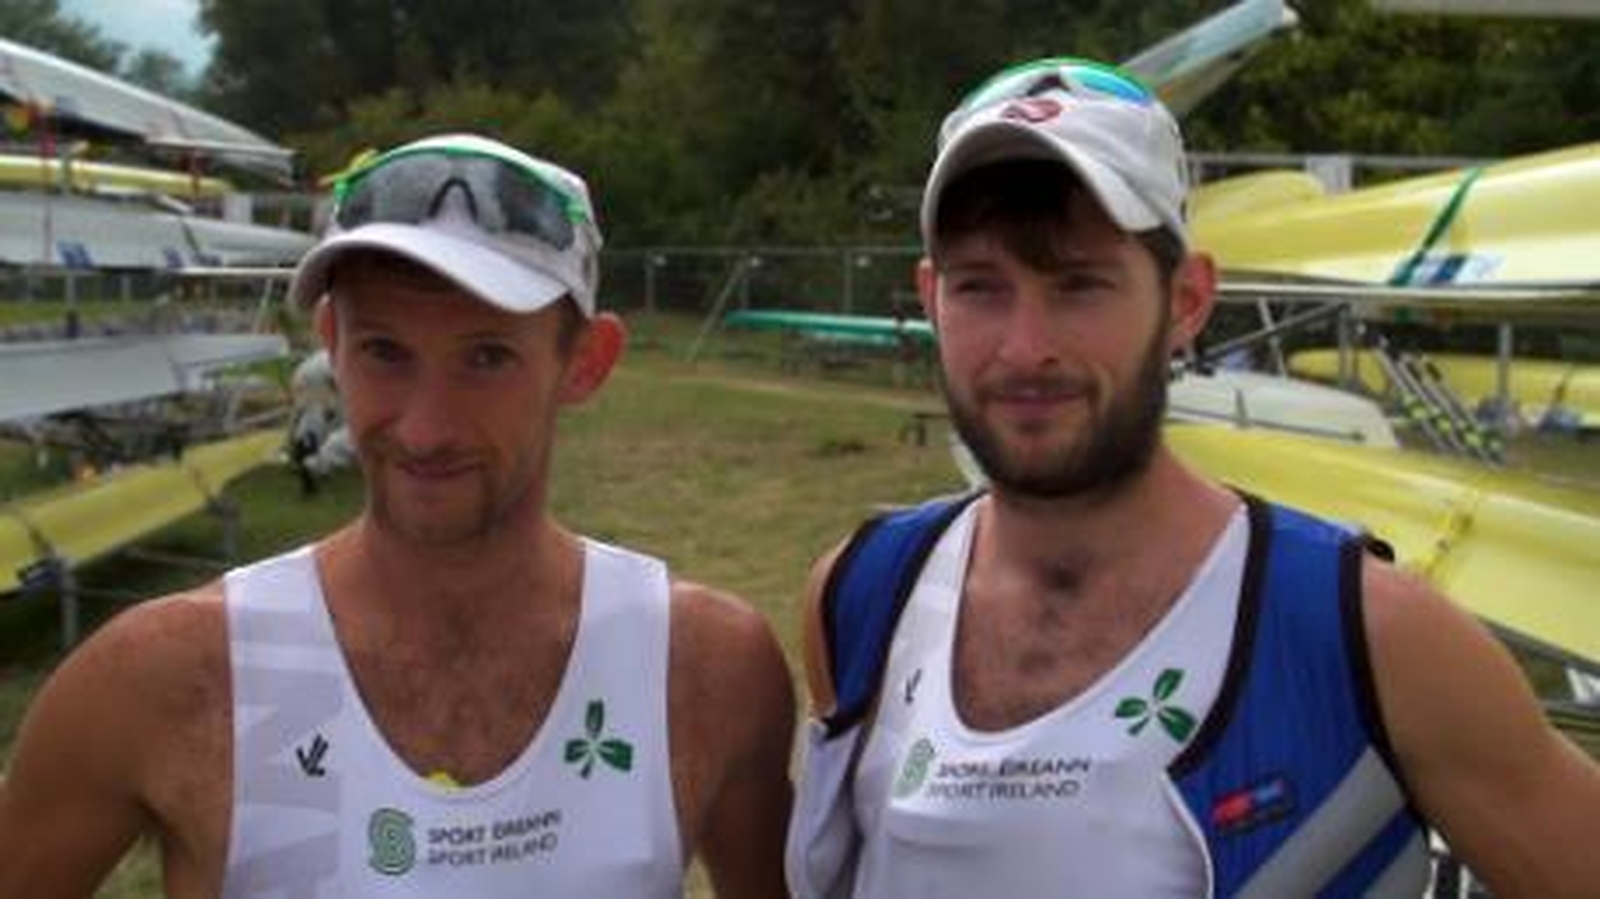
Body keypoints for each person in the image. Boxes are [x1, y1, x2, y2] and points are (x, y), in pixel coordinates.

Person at [786, 59, 1600, 898]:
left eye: (1080, 285)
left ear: (1186, 300)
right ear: (930, 298)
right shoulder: (862, 595)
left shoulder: (1371, 635)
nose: (1026, 346)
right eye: (981, 287)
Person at [0, 133, 795, 898]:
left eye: (487, 356)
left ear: (585, 362)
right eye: (384, 350)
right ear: (331, 344)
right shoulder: (165, 678)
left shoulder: (705, 670)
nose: (424, 426)